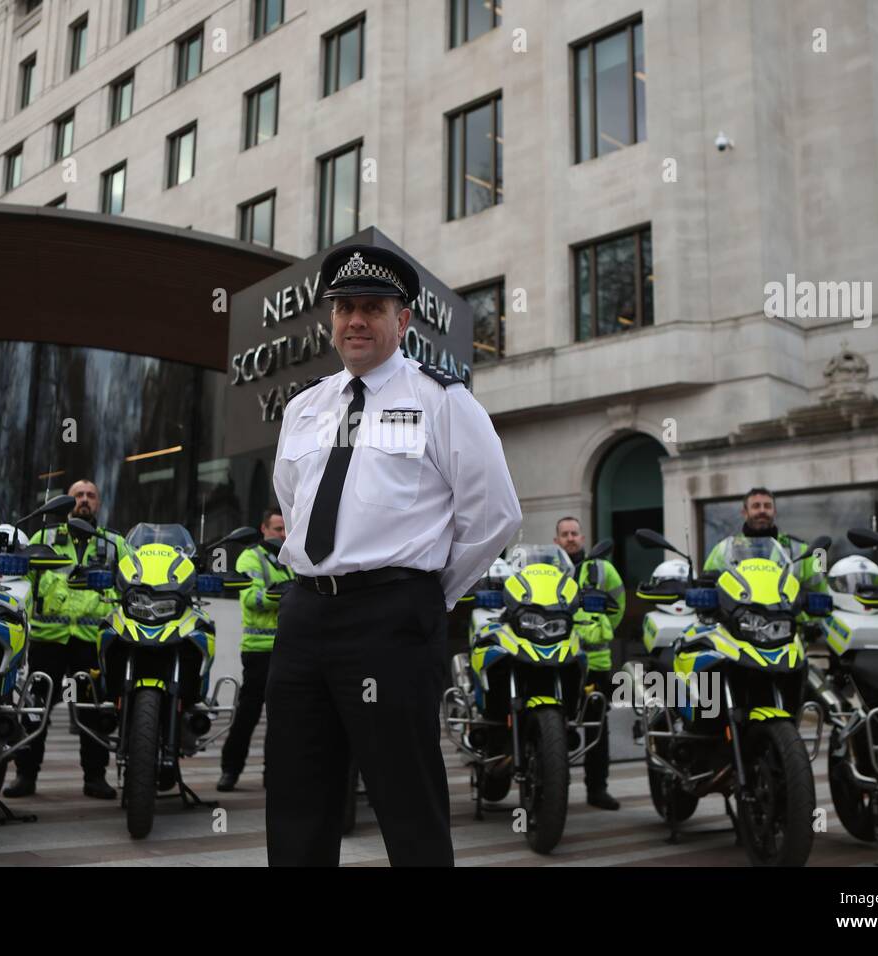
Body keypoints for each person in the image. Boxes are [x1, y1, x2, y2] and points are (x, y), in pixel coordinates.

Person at [266, 244, 522, 866]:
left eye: (372, 308)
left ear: (402, 320)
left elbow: (494, 514)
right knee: (296, 797)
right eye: (344, 308)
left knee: (407, 803)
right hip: (304, 616)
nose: (355, 320)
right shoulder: (304, 407)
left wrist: (426, 593)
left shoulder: (442, 399)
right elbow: (293, 503)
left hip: (393, 621)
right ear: (331, 320)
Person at [4, 479, 124, 800]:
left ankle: (95, 778)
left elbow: (131, 583)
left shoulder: (114, 544)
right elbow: (20, 583)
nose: (84, 500)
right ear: (67, 503)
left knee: (93, 711)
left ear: (98, 503)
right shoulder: (43, 538)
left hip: (92, 642)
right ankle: (25, 776)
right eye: (77, 495)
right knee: (35, 710)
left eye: (90, 496)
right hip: (48, 640)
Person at [217, 507, 293, 792]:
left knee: (283, 718)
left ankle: (273, 775)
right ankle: (230, 770)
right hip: (259, 650)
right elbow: (252, 598)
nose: (282, 534)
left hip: (287, 648)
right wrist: (288, 594)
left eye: (286, 529)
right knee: (248, 714)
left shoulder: (292, 558)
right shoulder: (251, 557)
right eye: (277, 529)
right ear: (263, 529)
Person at [554, 516, 626, 810]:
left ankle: (597, 789)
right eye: (565, 534)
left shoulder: (602, 569)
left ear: (582, 538)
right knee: (553, 724)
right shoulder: (548, 571)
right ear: (556, 541)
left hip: (595, 661)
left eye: (575, 533)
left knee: (597, 725)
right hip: (557, 660)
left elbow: (618, 605)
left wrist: (601, 630)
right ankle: (554, 789)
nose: (571, 538)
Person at [703, 487, 824, 594]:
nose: (762, 510)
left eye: (767, 506)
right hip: (736, 613)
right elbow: (707, 588)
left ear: (774, 512)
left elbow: (821, 592)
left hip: (789, 613)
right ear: (745, 513)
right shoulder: (725, 550)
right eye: (756, 506)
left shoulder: (801, 549)